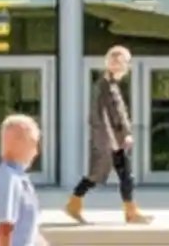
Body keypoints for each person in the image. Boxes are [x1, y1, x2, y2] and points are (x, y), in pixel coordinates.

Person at [64, 45, 152, 225]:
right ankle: (74, 204)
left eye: (122, 62)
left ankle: (130, 211)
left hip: (116, 140)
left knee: (125, 175)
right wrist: (114, 141)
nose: (119, 65)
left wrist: (125, 134)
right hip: (109, 141)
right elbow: (100, 116)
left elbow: (119, 114)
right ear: (108, 62)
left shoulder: (111, 84)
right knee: (95, 176)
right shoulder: (103, 86)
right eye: (115, 61)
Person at [0, 114, 45, 246]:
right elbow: (3, 229)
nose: (36, 152)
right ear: (21, 142)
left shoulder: (17, 178)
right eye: (34, 142)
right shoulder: (7, 178)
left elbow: (28, 231)